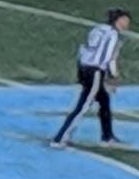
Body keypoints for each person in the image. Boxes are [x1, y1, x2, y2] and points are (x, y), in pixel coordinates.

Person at [52, 8, 129, 148]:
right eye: (125, 20)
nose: (127, 23)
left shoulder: (98, 29)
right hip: (94, 71)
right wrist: (113, 76)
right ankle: (60, 137)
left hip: (84, 67)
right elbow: (107, 58)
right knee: (83, 106)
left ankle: (107, 136)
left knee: (104, 100)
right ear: (118, 20)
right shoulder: (113, 35)